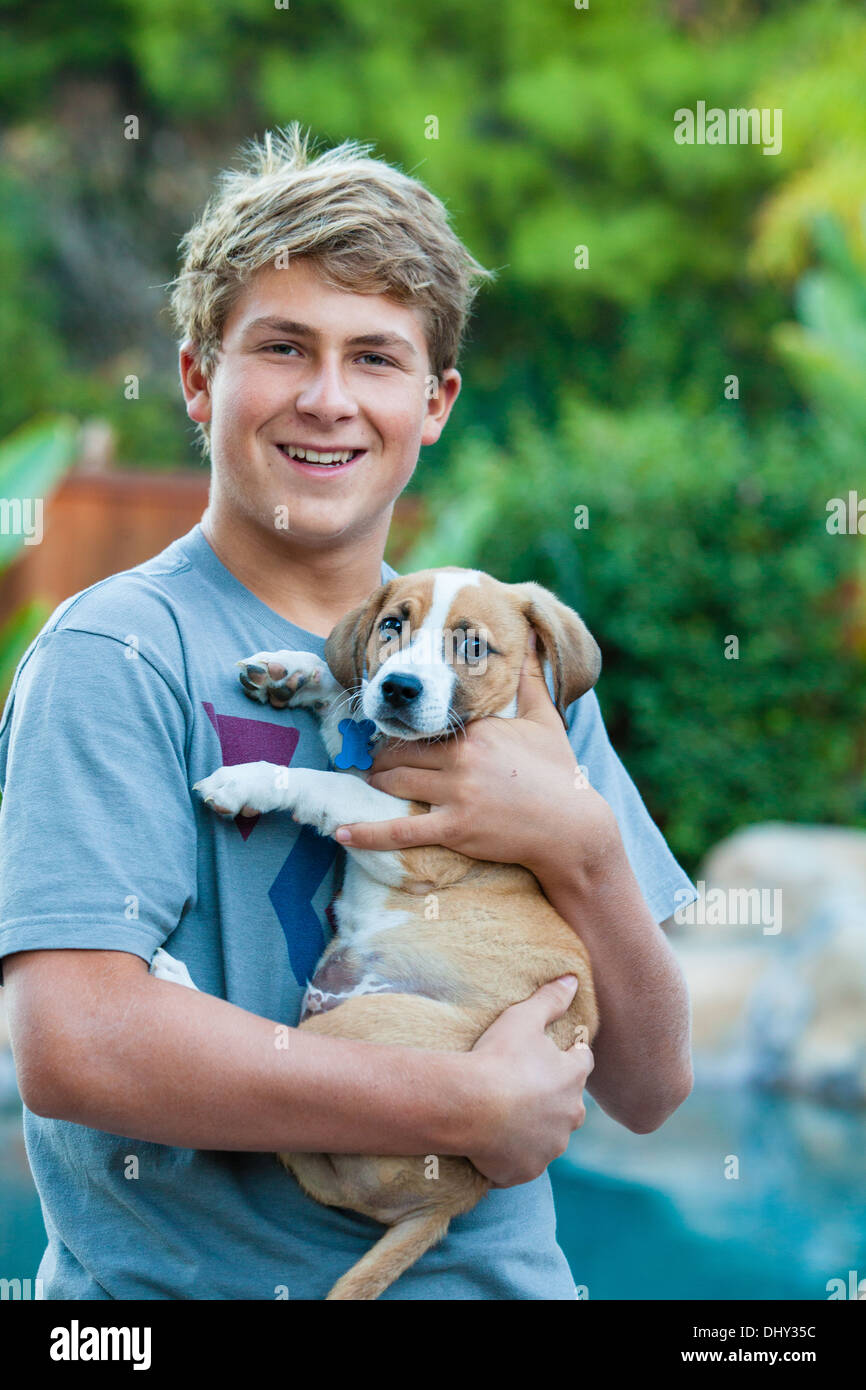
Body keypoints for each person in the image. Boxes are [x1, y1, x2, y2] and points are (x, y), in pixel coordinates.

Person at [0, 125, 695, 1300]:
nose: (327, 400)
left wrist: (578, 850)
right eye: (282, 347)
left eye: (375, 359)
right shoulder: (122, 653)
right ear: (197, 377)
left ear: (434, 403)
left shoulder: (501, 668)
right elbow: (71, 1047)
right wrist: (460, 1101)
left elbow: (648, 1085)